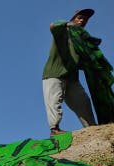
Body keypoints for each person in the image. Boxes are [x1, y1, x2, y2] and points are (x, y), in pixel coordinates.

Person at [42, 8, 97, 136]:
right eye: (80, 17)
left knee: (83, 101)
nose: (83, 20)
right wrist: (67, 24)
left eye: (85, 19)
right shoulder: (63, 30)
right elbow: (52, 26)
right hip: (54, 74)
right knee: (54, 100)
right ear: (73, 18)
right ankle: (54, 130)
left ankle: (93, 130)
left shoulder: (80, 41)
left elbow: (82, 62)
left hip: (72, 78)